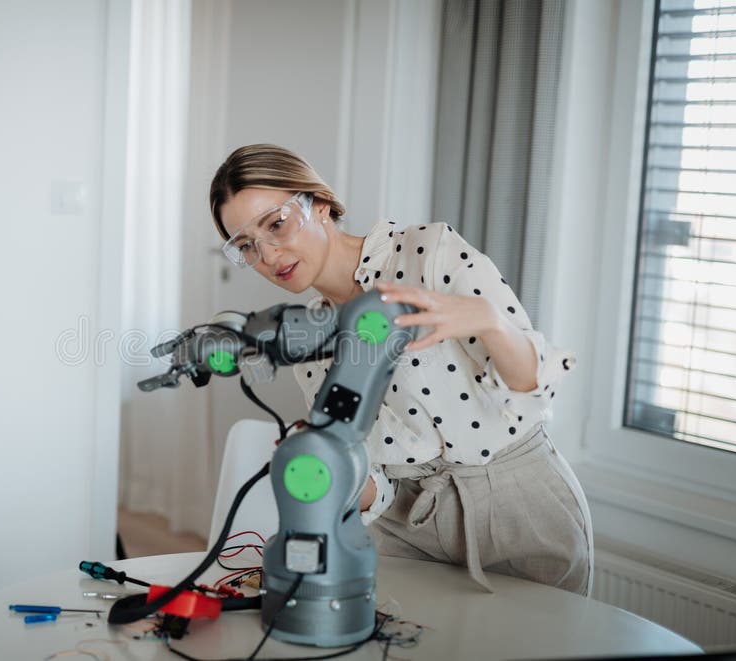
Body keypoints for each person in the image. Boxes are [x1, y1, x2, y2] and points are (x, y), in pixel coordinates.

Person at [208, 143, 593, 596]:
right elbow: (382, 488)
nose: (269, 256)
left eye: (276, 224)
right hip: (409, 529)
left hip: (521, 510)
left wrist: (488, 320)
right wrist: (330, 466)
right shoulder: (310, 345)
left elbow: (535, 385)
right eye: (248, 247)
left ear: (322, 203)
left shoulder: (426, 254)